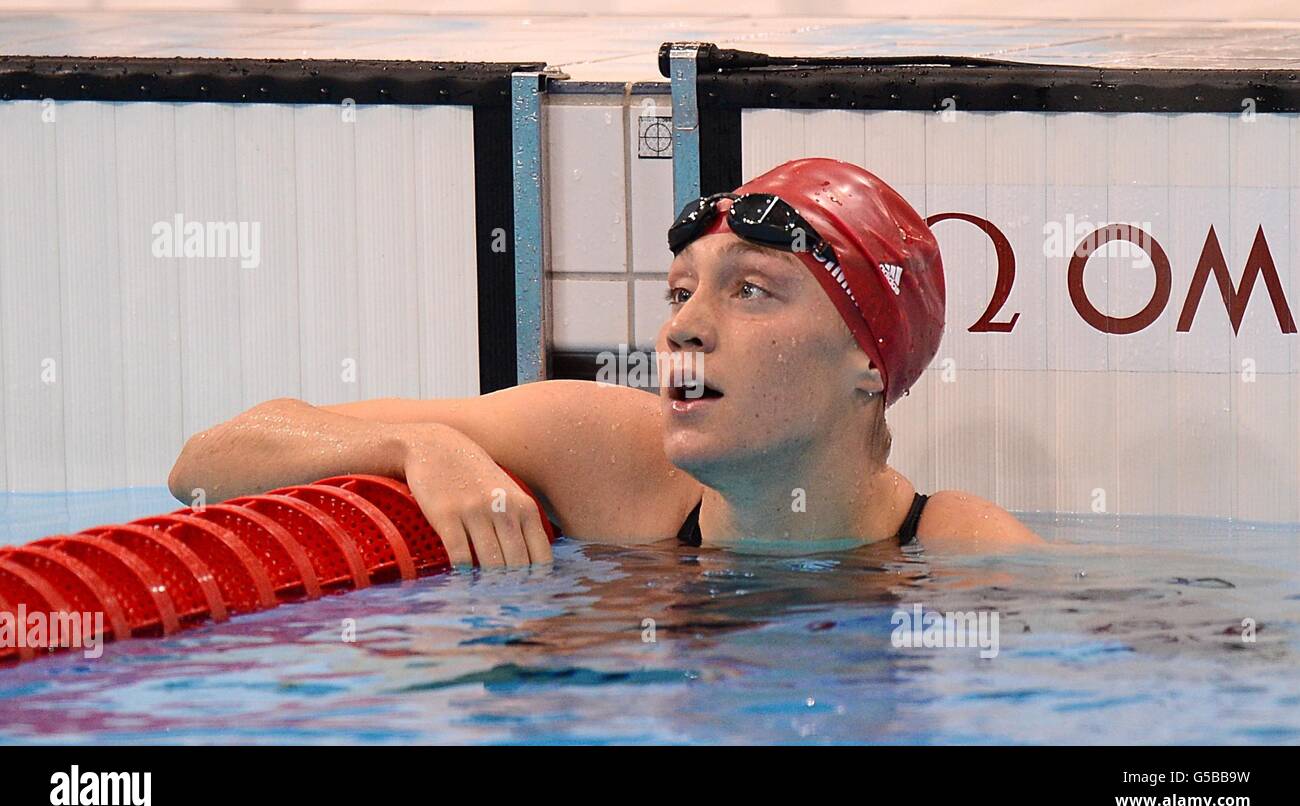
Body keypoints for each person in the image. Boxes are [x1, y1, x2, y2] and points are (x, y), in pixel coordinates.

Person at [168, 157, 1044, 569]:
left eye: (751, 292)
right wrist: (417, 445)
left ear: (868, 362)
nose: (682, 333)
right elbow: (209, 458)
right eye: (680, 293)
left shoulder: (962, 553)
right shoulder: (601, 454)